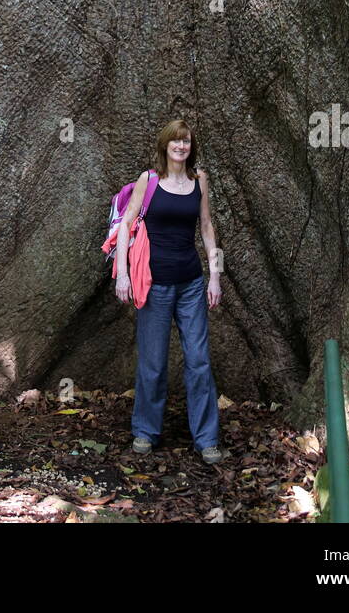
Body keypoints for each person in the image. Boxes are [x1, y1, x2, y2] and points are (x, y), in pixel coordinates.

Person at [115, 117, 229, 464]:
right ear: (165, 145)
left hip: (192, 283)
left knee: (198, 361)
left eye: (187, 142)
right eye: (176, 142)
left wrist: (215, 276)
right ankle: (145, 432)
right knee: (153, 363)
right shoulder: (148, 181)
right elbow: (125, 227)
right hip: (153, 284)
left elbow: (208, 229)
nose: (181, 147)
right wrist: (123, 274)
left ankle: (207, 438)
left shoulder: (200, 181)